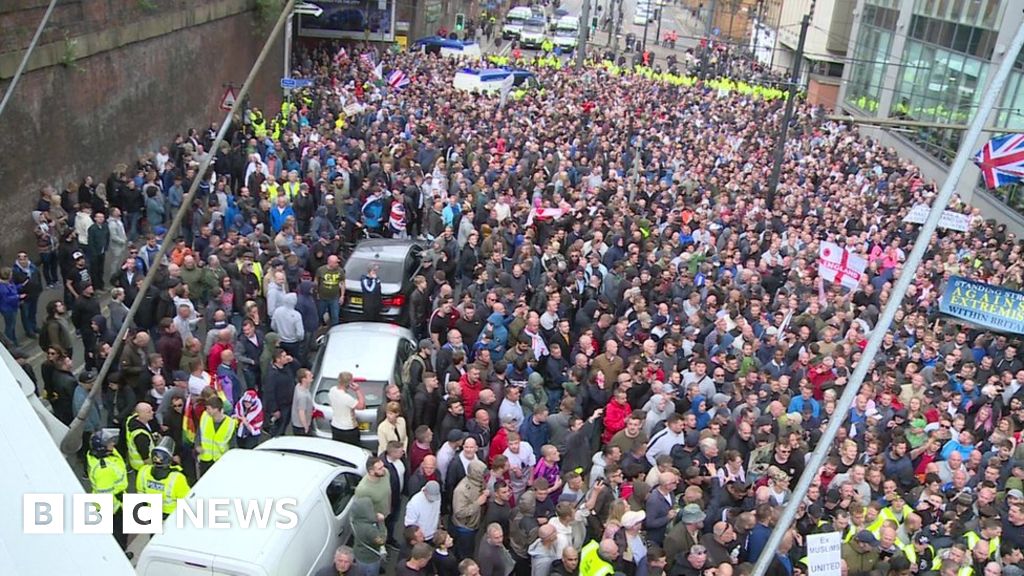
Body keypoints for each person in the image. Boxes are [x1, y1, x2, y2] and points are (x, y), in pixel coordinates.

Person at [86, 429, 129, 550]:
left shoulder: (98, 454)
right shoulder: (104, 470)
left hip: (117, 499)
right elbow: (105, 496)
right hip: (113, 508)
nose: (113, 444)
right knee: (118, 535)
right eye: (109, 443)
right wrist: (116, 509)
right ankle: (121, 553)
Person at [135, 437, 190, 517]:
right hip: (170, 516)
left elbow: (140, 492)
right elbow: (186, 501)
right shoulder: (177, 477)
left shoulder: (143, 471)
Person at [196, 395, 237, 477]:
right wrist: (197, 445)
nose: (206, 411)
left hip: (220, 461)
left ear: (216, 410)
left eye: (208, 408)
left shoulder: (230, 424)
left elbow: (232, 444)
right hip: (205, 460)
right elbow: (199, 434)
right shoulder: (205, 417)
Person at [350, 495, 387, 576]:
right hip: (370, 559)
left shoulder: (355, 520)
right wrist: (381, 522)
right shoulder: (369, 530)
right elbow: (382, 541)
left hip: (359, 554)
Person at [329, 371, 365, 445]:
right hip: (348, 429)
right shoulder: (346, 398)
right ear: (349, 382)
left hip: (335, 426)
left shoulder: (332, 390)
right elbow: (361, 406)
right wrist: (357, 390)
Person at [292, 367, 315, 436]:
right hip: (301, 426)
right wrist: (306, 427)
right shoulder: (302, 396)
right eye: (309, 376)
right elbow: (301, 412)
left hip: (297, 423)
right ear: (304, 379)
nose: (312, 376)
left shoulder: (298, 386)